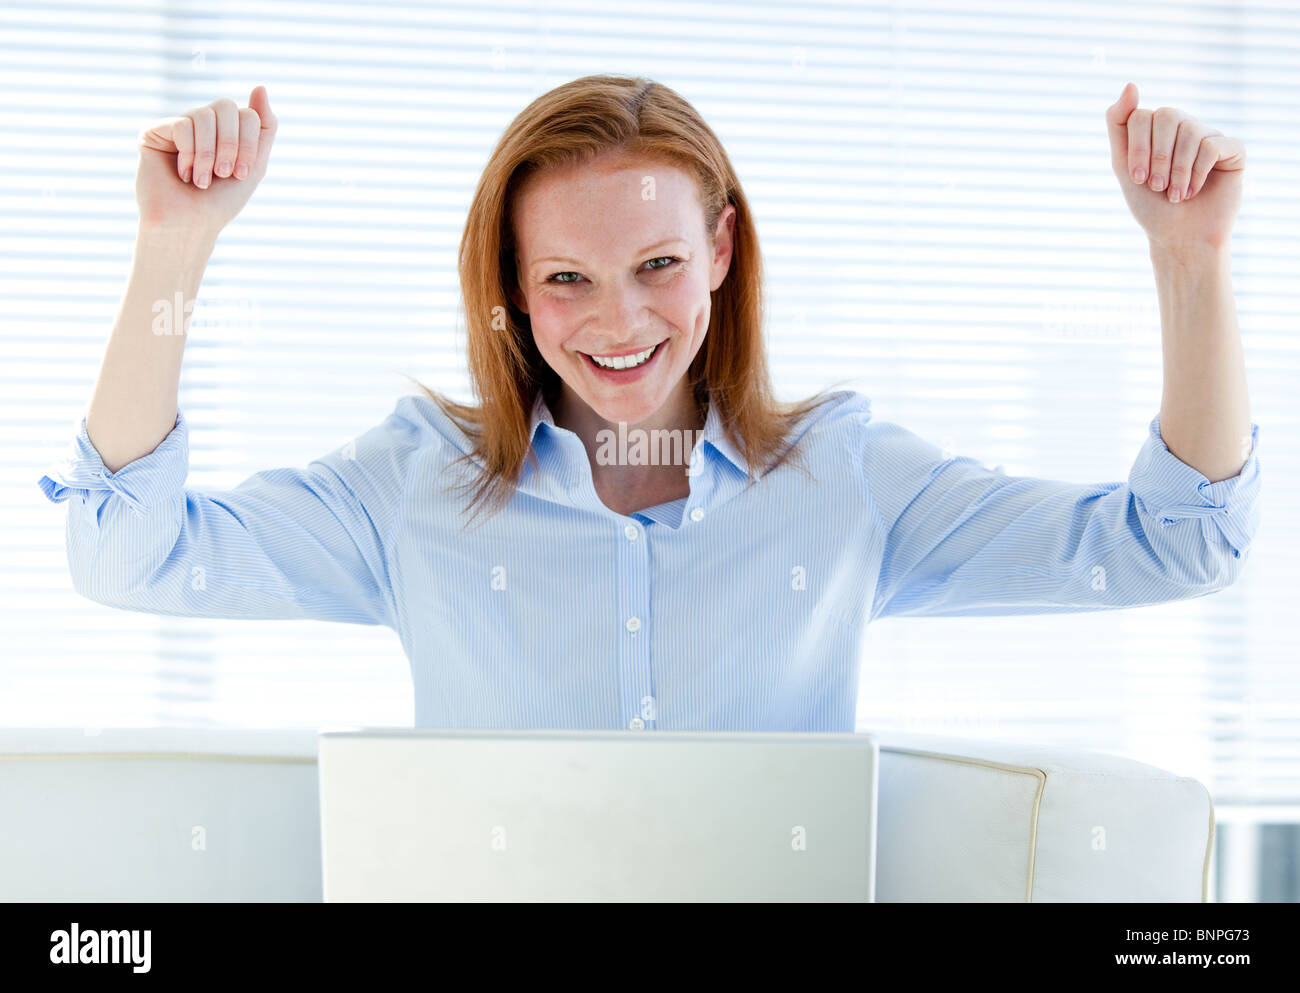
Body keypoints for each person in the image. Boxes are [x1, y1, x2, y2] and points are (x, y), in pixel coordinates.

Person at [38, 75, 1261, 731]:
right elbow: (124, 556)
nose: (620, 324)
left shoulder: (844, 480)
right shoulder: (411, 487)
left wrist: (1189, 262)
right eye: (565, 278)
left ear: (721, 252)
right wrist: (173, 246)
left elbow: (1178, 542)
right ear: (510, 289)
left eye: (658, 267)